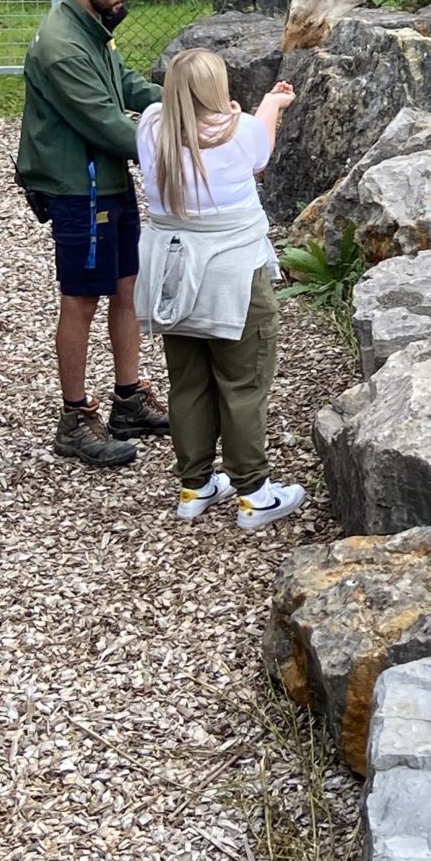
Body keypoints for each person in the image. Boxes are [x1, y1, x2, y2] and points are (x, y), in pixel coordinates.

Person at [135, 49, 306, 532]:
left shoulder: (150, 127)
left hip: (171, 274)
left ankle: (195, 486)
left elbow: (191, 125)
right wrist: (270, 104)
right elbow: (260, 150)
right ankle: (253, 493)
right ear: (218, 89)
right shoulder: (241, 131)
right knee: (243, 384)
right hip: (233, 276)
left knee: (188, 383)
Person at [16, 0, 169, 467]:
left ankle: (128, 400)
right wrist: (184, 146)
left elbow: (125, 86)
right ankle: (74, 418)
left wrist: (184, 101)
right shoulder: (62, 46)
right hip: (76, 187)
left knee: (125, 287)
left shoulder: (93, 28)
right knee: (82, 299)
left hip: (105, 181)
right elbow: (106, 125)